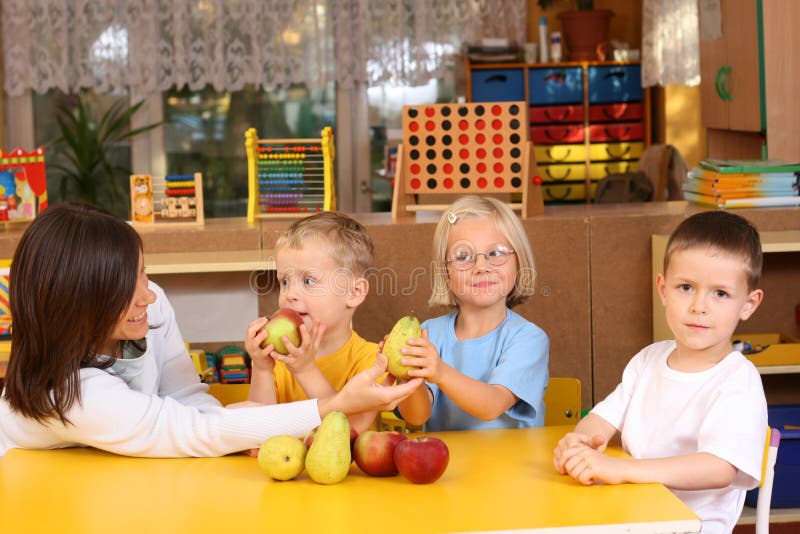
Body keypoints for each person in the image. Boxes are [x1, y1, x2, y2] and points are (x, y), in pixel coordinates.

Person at [0, 202, 420, 458]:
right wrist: (336, 404)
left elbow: (188, 402)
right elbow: (189, 431)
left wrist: (242, 427)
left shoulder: (153, 306)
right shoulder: (75, 396)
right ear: (81, 308)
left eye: (143, 273)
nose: (148, 295)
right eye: (126, 290)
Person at [553, 210, 767, 534]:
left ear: (748, 304)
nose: (699, 306)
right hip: (633, 511)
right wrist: (580, 443)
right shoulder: (648, 360)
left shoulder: (738, 381)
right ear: (663, 289)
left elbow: (719, 467)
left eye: (720, 293)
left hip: (689, 526)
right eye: (685, 287)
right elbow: (603, 418)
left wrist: (622, 470)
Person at [394, 195, 549, 431]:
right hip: (447, 465)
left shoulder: (528, 339)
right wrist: (407, 375)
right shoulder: (429, 334)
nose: (481, 267)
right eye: (463, 257)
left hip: (512, 464)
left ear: (519, 262)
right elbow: (417, 418)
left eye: (495, 253)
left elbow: (492, 405)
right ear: (445, 271)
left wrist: (440, 372)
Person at [244, 211, 381, 432]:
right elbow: (258, 432)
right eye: (285, 281)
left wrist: (305, 370)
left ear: (355, 292)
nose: (290, 294)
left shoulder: (372, 361)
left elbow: (349, 430)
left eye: (308, 280)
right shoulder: (277, 359)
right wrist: (261, 369)